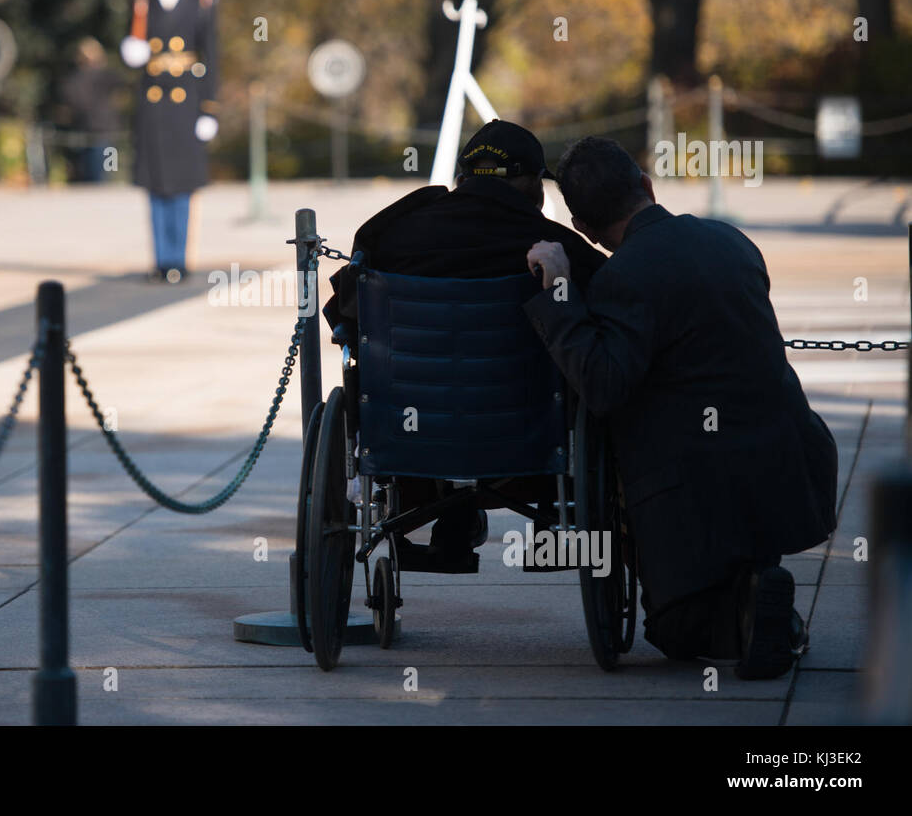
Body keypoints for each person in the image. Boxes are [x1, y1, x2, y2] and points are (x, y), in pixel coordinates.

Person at [523, 136, 837, 679]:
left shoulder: (623, 278)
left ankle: (749, 610)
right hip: (787, 462)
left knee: (673, 637)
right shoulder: (733, 241)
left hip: (696, 488)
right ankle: (758, 590)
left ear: (582, 231)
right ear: (646, 185)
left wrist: (558, 290)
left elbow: (602, 385)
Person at [324, 120, 606, 570]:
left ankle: (447, 512)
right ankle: (555, 519)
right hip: (529, 439)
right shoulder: (557, 247)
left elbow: (345, 318)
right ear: (533, 183)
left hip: (412, 437)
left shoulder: (392, 235)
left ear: (463, 177)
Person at [120, 0, 219, 284]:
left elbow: (212, 56)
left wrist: (209, 107)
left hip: (186, 101)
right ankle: (161, 260)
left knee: (182, 183)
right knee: (155, 182)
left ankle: (178, 259)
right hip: (153, 102)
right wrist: (130, 50)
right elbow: (132, 41)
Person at [60, 37, 122, 184]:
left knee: (100, 178)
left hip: (103, 135)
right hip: (95, 135)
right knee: (100, 180)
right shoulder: (99, 77)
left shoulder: (77, 80)